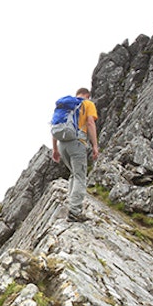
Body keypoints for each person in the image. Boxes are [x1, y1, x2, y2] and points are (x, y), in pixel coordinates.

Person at [51, 87, 99, 221]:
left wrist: (55, 149)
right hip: (77, 143)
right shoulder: (87, 104)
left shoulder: (66, 107)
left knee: (73, 174)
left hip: (62, 144)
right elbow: (90, 123)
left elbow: (55, 127)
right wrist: (95, 145)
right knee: (80, 177)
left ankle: (70, 206)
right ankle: (75, 211)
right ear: (87, 95)